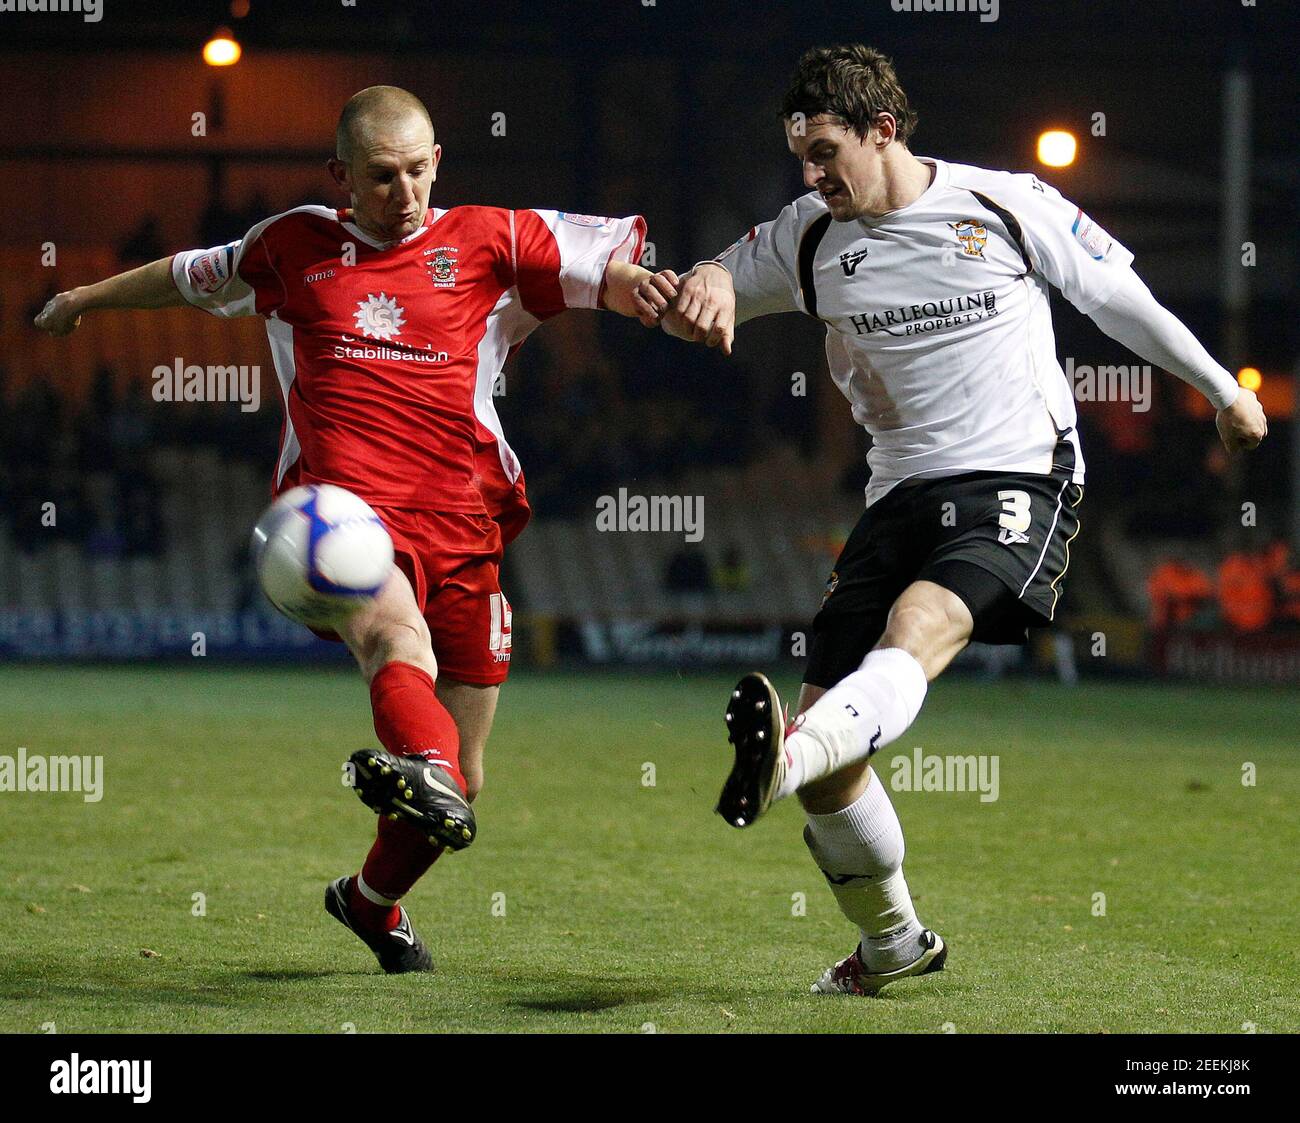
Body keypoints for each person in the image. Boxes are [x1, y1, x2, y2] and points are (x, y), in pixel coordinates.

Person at [635, 45, 1268, 996]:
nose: (809, 177)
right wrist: (703, 287)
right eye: (797, 159)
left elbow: (1119, 300)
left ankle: (784, 760)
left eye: (822, 153)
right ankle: (893, 939)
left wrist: (1221, 390)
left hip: (1020, 472)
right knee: (830, 771)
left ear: (882, 130)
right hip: (896, 497)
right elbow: (720, 284)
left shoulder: (1007, 204)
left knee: (916, 628)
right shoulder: (810, 235)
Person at [36, 85, 658, 974]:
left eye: (416, 171)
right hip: (342, 515)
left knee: (464, 782)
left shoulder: (488, 237)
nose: (403, 192)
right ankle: (420, 764)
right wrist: (87, 298)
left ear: (437, 162)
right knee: (393, 640)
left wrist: (649, 292)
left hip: (467, 522)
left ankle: (369, 903)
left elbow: (603, 269)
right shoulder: (292, 246)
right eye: (380, 176)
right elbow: (185, 277)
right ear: (341, 177)